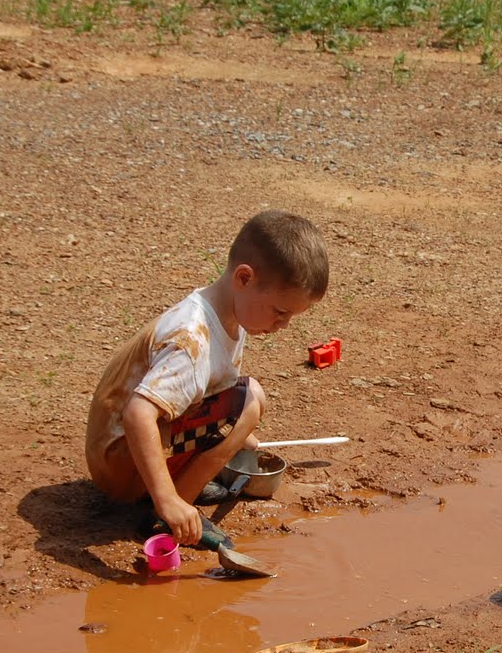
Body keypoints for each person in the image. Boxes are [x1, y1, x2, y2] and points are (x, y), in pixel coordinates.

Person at [85, 209, 328, 547]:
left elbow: (212, 389)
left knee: (249, 401)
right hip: (121, 463)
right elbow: (138, 413)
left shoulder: (231, 310)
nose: (283, 326)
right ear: (244, 278)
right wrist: (168, 499)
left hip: (131, 454)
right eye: (280, 312)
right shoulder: (192, 338)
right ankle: (167, 513)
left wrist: (236, 438)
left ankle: (179, 489)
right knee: (246, 403)